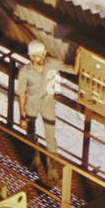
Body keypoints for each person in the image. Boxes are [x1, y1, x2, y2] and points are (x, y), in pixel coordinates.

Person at [14, 40, 62, 177]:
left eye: (41, 55)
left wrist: (79, 56)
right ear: (30, 56)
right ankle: (35, 159)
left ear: (45, 53)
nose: (39, 58)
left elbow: (73, 70)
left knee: (51, 138)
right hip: (31, 105)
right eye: (35, 56)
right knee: (30, 133)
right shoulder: (25, 72)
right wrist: (22, 115)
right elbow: (21, 93)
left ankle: (52, 169)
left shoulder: (51, 64)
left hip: (47, 105)